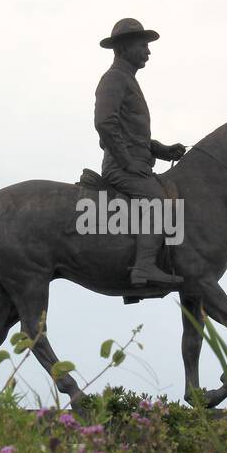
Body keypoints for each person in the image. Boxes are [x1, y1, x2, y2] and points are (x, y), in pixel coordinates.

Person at [94, 17, 186, 287]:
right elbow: (105, 123)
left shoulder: (127, 80)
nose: (148, 51)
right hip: (122, 168)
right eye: (142, 45)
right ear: (123, 48)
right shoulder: (113, 79)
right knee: (157, 202)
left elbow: (133, 135)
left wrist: (163, 150)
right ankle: (144, 268)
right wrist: (127, 162)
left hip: (136, 164)